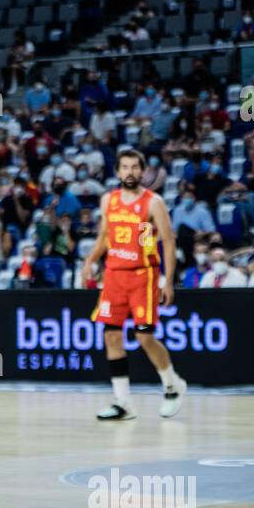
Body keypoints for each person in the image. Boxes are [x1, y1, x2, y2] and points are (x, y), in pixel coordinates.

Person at [80, 149, 187, 421]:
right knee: (111, 336)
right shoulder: (108, 200)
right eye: (124, 167)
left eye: (134, 167)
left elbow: (169, 241)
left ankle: (172, 385)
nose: (129, 172)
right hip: (114, 275)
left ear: (143, 171)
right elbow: (105, 236)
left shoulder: (154, 202)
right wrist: (90, 260)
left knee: (144, 337)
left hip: (143, 276)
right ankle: (123, 403)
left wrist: (169, 281)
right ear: (117, 172)